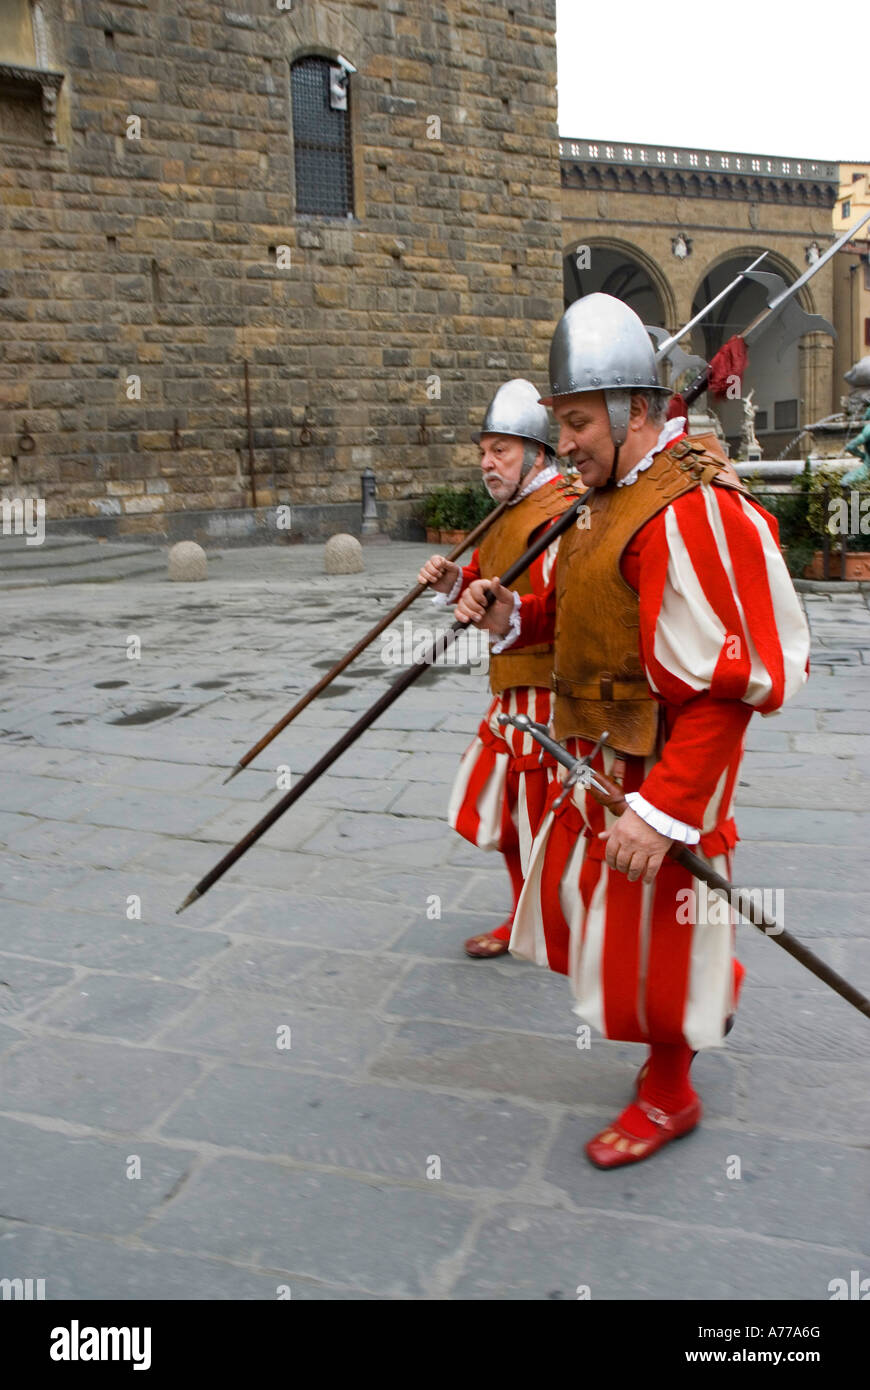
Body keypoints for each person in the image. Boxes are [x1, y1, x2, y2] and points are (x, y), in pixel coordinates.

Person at [455, 295, 810, 1164]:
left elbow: (726, 685)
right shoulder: (598, 500)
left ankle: (670, 1092)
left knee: (655, 944)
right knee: (607, 931)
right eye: (560, 422)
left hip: (657, 773)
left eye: (576, 423)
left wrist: (668, 808)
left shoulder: (688, 510)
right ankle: (704, 991)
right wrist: (512, 615)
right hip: (594, 760)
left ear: (637, 412)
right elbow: (581, 617)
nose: (564, 443)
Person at [418, 380, 581, 958]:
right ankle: (524, 915)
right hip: (512, 688)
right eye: (483, 451)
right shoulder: (508, 511)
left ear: (538, 451)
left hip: (553, 695)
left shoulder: (563, 511)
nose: (487, 463)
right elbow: (493, 585)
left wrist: (497, 606)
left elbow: (561, 610)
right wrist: (453, 584)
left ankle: (556, 926)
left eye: (501, 450)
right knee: (508, 813)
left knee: (546, 822)